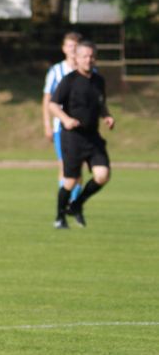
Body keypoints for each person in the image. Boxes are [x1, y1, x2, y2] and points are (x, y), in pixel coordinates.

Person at [48, 40, 114, 229]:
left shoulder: (99, 80)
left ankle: (76, 205)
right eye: (84, 56)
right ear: (76, 58)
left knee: (102, 175)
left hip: (93, 137)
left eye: (92, 56)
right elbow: (53, 104)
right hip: (72, 137)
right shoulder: (69, 80)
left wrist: (107, 115)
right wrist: (66, 119)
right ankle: (60, 217)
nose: (89, 59)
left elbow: (100, 103)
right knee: (70, 180)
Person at [42, 32, 83, 203]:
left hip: (83, 128)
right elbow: (47, 99)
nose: (73, 50)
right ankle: (64, 204)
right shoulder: (56, 71)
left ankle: (74, 204)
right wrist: (47, 125)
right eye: (69, 46)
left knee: (78, 170)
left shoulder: (88, 70)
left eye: (76, 46)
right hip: (61, 127)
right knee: (65, 166)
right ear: (64, 49)